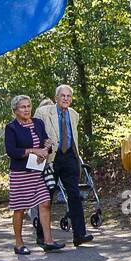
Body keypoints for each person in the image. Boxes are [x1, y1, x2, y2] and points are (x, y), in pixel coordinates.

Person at [35, 85, 95, 246]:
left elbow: (73, 136)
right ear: (56, 98)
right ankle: (42, 236)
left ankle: (79, 234)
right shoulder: (44, 113)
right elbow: (35, 132)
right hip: (51, 157)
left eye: (69, 96)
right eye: (62, 96)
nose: (66, 98)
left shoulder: (74, 114)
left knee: (74, 195)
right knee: (47, 196)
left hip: (69, 157)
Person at [4, 95, 64, 255]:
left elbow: (45, 143)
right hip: (21, 173)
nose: (26, 109)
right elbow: (11, 151)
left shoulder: (38, 123)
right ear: (15, 110)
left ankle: (48, 241)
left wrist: (47, 147)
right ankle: (19, 243)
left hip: (37, 172)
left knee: (45, 203)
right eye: (23, 107)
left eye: (28, 106)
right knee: (20, 209)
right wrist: (32, 150)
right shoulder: (11, 127)